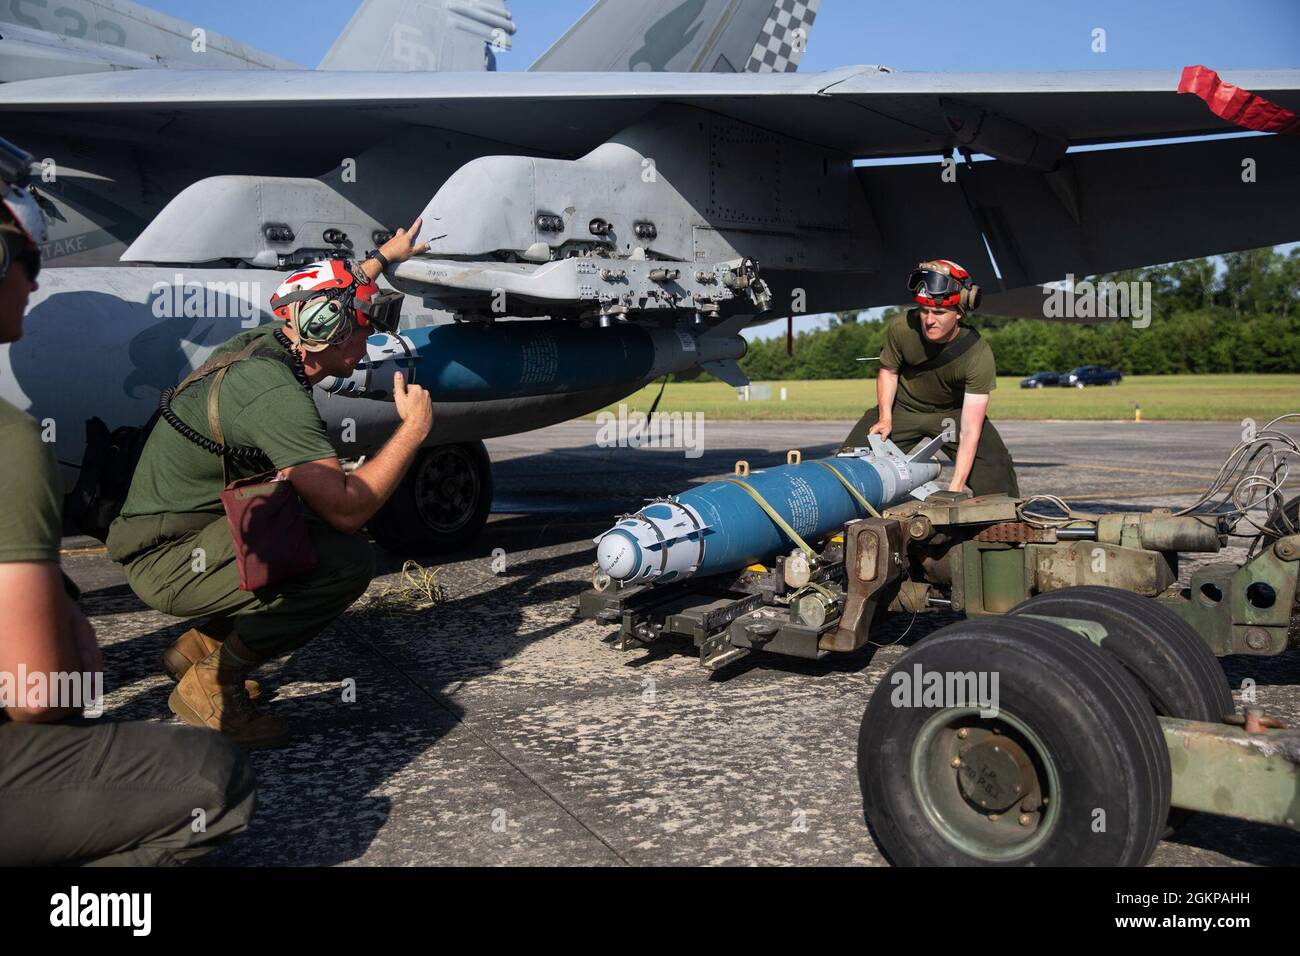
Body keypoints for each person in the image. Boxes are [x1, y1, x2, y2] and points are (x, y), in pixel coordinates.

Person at [0, 148, 256, 865]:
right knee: (210, 781)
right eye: (28, 263)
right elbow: (38, 694)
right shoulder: (7, 439)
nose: (33, 284)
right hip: (161, 570)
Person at [106, 224, 434, 748]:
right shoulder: (272, 394)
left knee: (293, 522)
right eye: (362, 333)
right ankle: (215, 683)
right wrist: (413, 431)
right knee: (344, 559)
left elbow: (324, 297)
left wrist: (379, 259)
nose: (367, 346)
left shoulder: (266, 342)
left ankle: (196, 649)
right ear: (325, 331)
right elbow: (349, 510)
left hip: (182, 531)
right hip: (169, 559)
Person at [842, 259, 1020, 497]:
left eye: (939, 312)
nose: (929, 320)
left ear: (959, 313)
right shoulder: (902, 327)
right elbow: (888, 371)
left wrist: (955, 486)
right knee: (848, 468)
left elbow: (970, 428)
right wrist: (885, 418)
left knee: (998, 478)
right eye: (924, 310)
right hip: (902, 408)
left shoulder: (977, 353)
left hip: (953, 414)